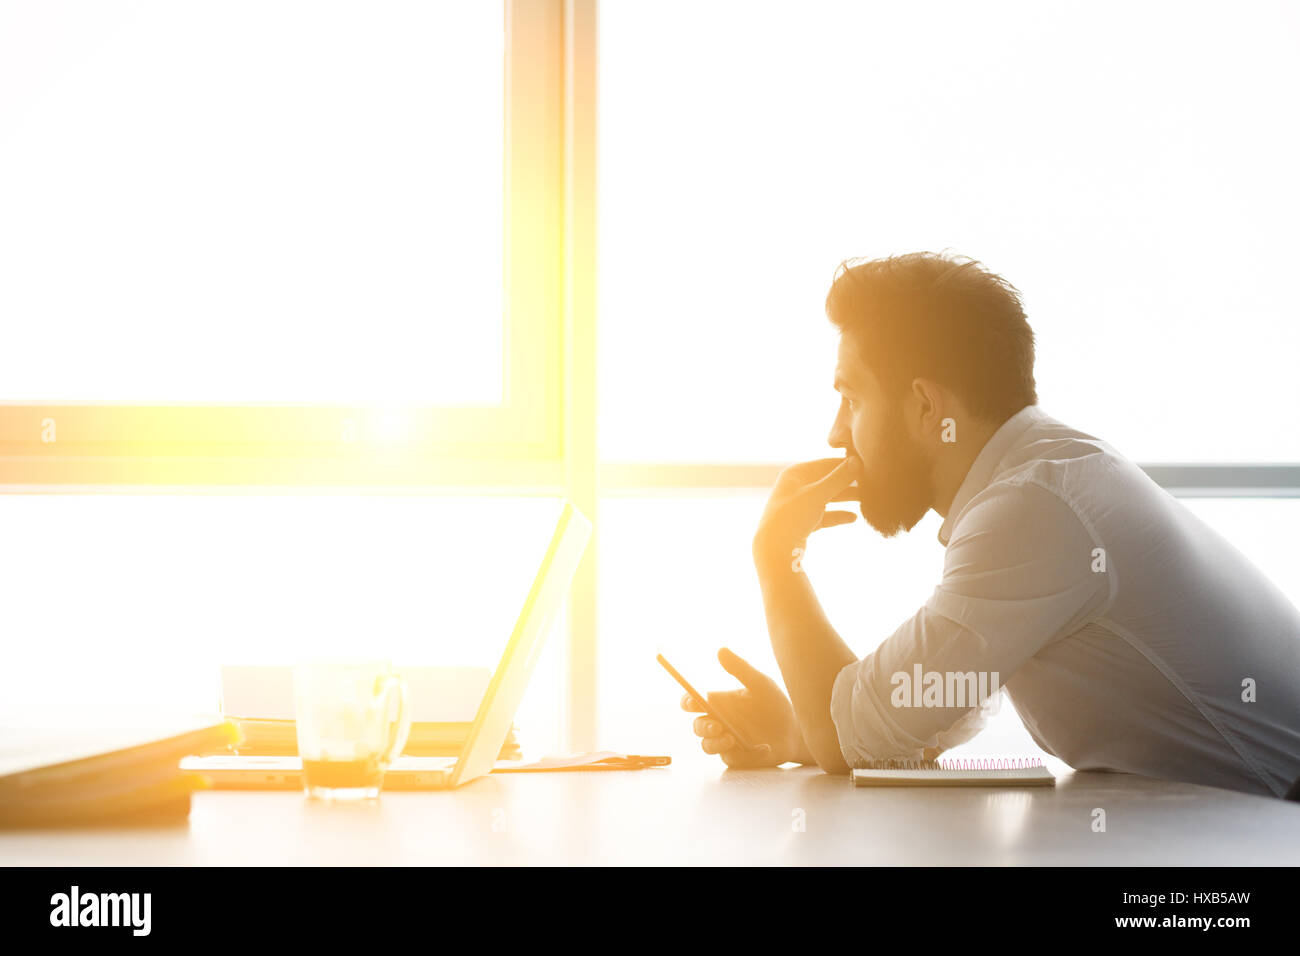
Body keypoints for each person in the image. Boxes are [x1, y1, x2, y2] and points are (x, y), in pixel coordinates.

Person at [683, 251, 1300, 798]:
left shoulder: (1034, 508)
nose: (835, 433)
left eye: (851, 398)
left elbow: (851, 737)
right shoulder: (1041, 478)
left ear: (926, 406)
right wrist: (801, 729)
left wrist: (777, 556)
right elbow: (932, 705)